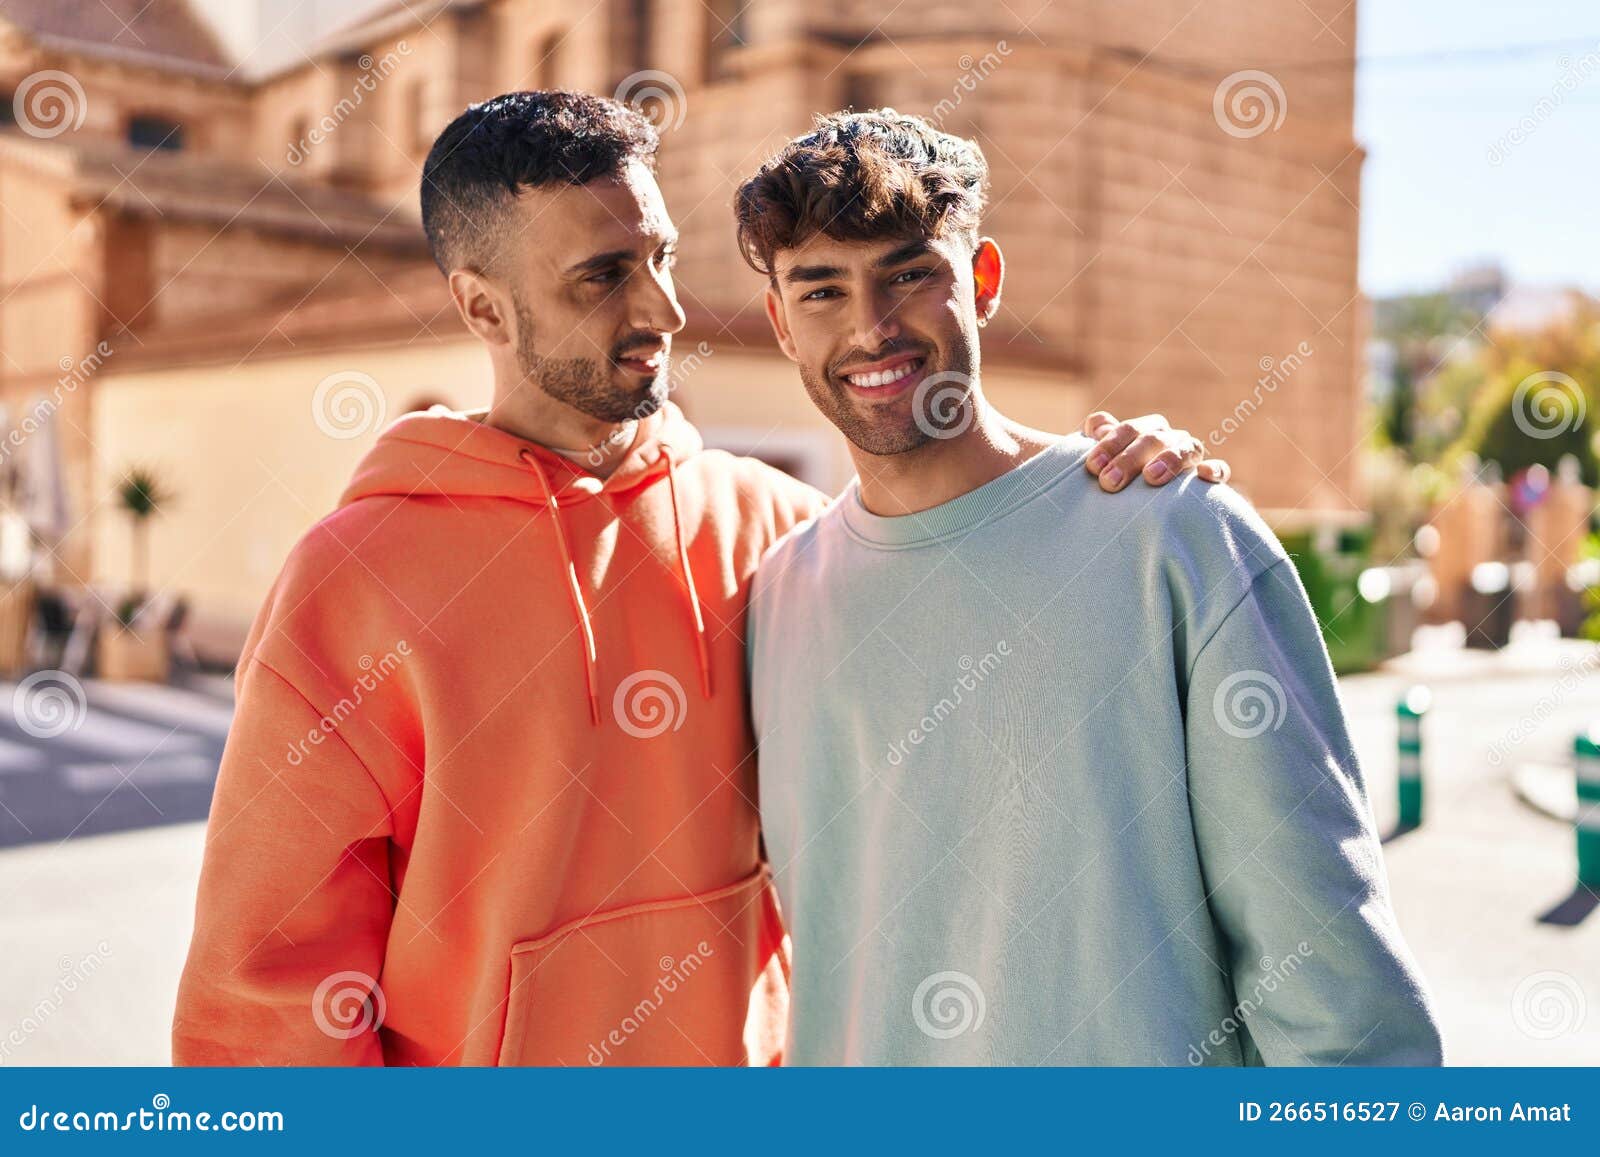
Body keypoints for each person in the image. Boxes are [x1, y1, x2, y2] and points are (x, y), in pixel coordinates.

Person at [172, 92, 1225, 1066]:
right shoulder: (355, 578)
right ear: (483, 308)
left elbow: (974, 606)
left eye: (661, 256)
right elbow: (264, 993)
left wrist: (1100, 477)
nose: (666, 308)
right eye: (603, 276)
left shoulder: (779, 530)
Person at [741, 109, 1444, 1065]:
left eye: (909, 274)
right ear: (781, 323)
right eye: (822, 290)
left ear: (983, 280)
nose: (871, 327)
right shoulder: (776, 598)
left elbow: (1337, 993)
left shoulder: (1173, 536)